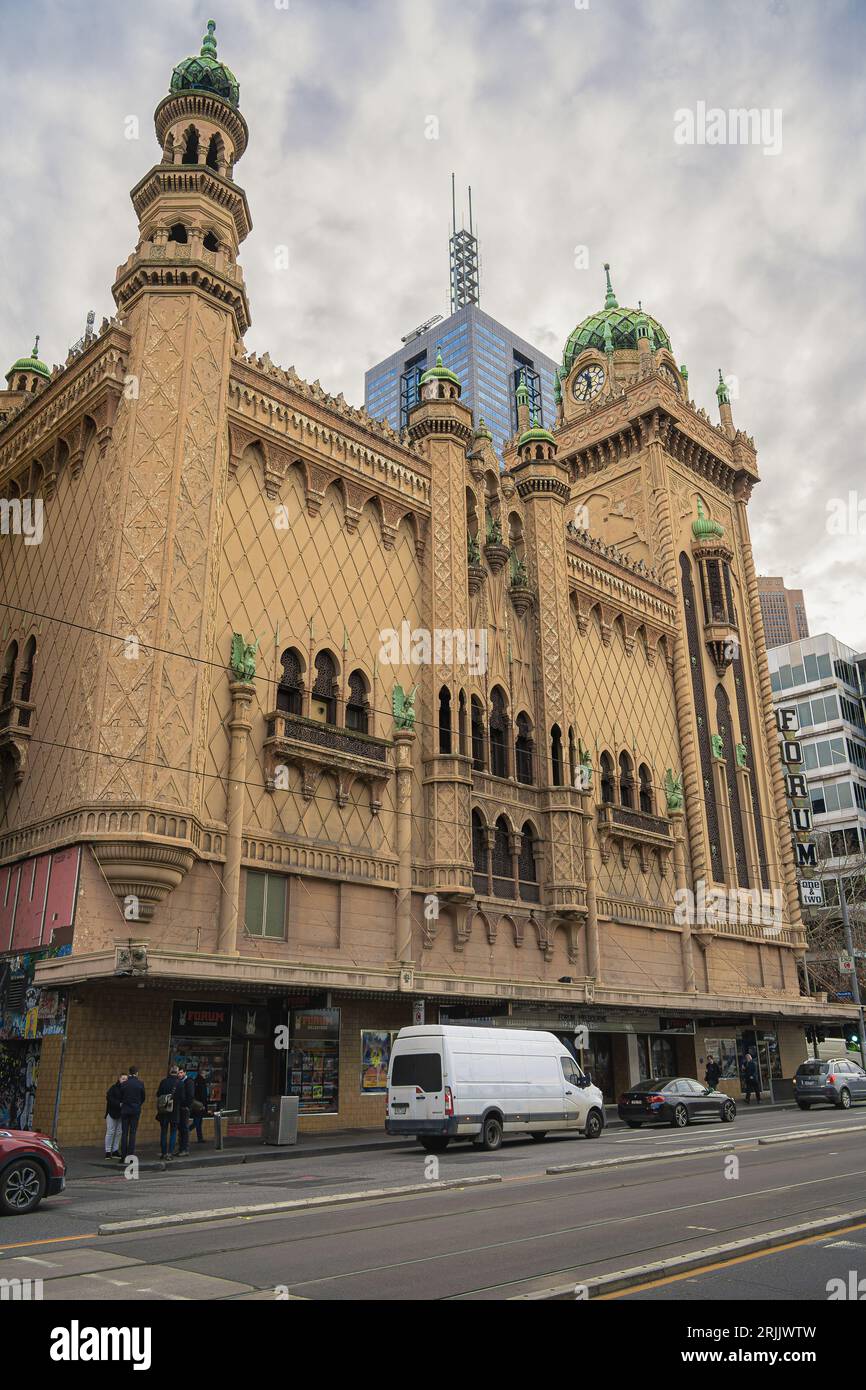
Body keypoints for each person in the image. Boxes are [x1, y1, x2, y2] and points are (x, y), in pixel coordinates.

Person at [119, 1066, 146, 1159]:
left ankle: (123, 1155)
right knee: (133, 1133)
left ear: (129, 1073)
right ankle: (130, 1155)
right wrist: (138, 1104)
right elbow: (143, 1097)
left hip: (125, 1109)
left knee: (124, 1133)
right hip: (135, 1110)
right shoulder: (140, 1084)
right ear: (137, 1073)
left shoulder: (124, 1084)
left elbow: (121, 1096)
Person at [156, 1064, 180, 1160]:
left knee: (163, 1131)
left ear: (170, 1072)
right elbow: (182, 1097)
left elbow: (158, 1094)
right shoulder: (179, 1083)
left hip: (164, 1110)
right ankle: (170, 1153)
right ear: (177, 1072)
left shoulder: (163, 1082)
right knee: (173, 1132)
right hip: (175, 1111)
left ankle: (163, 1152)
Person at [173, 1067, 194, 1156]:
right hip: (179, 1108)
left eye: (181, 1073)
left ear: (185, 1073)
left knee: (184, 1128)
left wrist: (185, 1106)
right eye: (178, 1073)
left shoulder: (188, 1082)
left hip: (185, 1108)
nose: (179, 1074)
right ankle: (181, 1148)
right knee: (181, 1128)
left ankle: (184, 1149)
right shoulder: (179, 1082)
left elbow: (190, 1095)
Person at [104, 1073, 125, 1159]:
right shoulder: (113, 1088)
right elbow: (109, 1098)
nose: (124, 1080)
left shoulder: (126, 1089)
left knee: (119, 1132)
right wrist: (119, 1104)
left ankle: (115, 1150)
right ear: (119, 1079)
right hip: (112, 1112)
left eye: (126, 1079)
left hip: (121, 1113)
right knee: (110, 1131)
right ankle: (108, 1151)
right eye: (123, 1078)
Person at [190, 1067, 210, 1145]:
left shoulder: (196, 1081)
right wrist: (204, 1105)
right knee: (197, 1122)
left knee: (198, 1122)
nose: (206, 1075)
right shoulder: (201, 1082)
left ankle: (200, 1138)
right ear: (202, 1073)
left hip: (196, 1104)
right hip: (200, 1105)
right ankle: (184, 1132)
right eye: (205, 1073)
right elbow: (203, 1095)